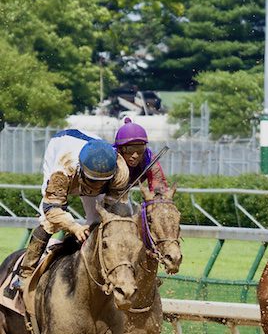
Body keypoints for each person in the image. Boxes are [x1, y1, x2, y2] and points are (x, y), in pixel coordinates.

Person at [15, 129, 129, 295]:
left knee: (100, 220)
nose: (96, 188)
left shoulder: (120, 171)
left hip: (93, 148)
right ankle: (25, 273)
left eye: (102, 182)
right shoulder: (63, 169)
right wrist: (74, 227)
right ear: (81, 171)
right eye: (92, 181)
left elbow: (113, 212)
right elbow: (51, 209)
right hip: (61, 145)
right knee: (48, 223)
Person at [113, 117, 169, 193]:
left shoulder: (149, 159)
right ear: (119, 149)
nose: (135, 156)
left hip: (122, 194)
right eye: (130, 150)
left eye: (140, 150)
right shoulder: (110, 158)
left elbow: (159, 190)